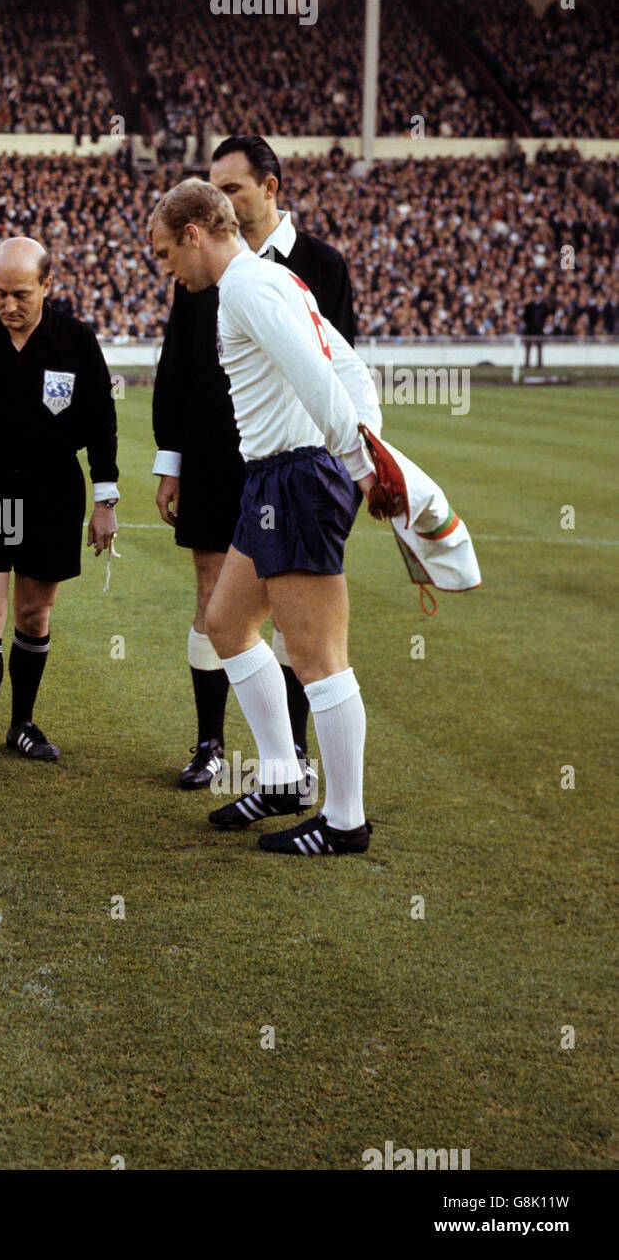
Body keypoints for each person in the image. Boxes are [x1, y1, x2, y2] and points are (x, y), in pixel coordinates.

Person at [146, 179, 398, 855]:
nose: (166, 266)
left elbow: (318, 376)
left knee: (318, 657)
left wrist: (362, 459)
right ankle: (284, 776)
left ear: (195, 234)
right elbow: (349, 365)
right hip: (271, 479)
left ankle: (345, 821)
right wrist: (366, 438)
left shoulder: (247, 288)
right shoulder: (274, 279)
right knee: (228, 623)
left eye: (167, 251)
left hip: (295, 477)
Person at [0, 237, 119, 783]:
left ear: (47, 286)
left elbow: (102, 421)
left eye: (21, 294)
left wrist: (105, 500)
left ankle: (23, 724)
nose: (8, 305)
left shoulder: (77, 340)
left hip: (54, 490)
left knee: (34, 615)